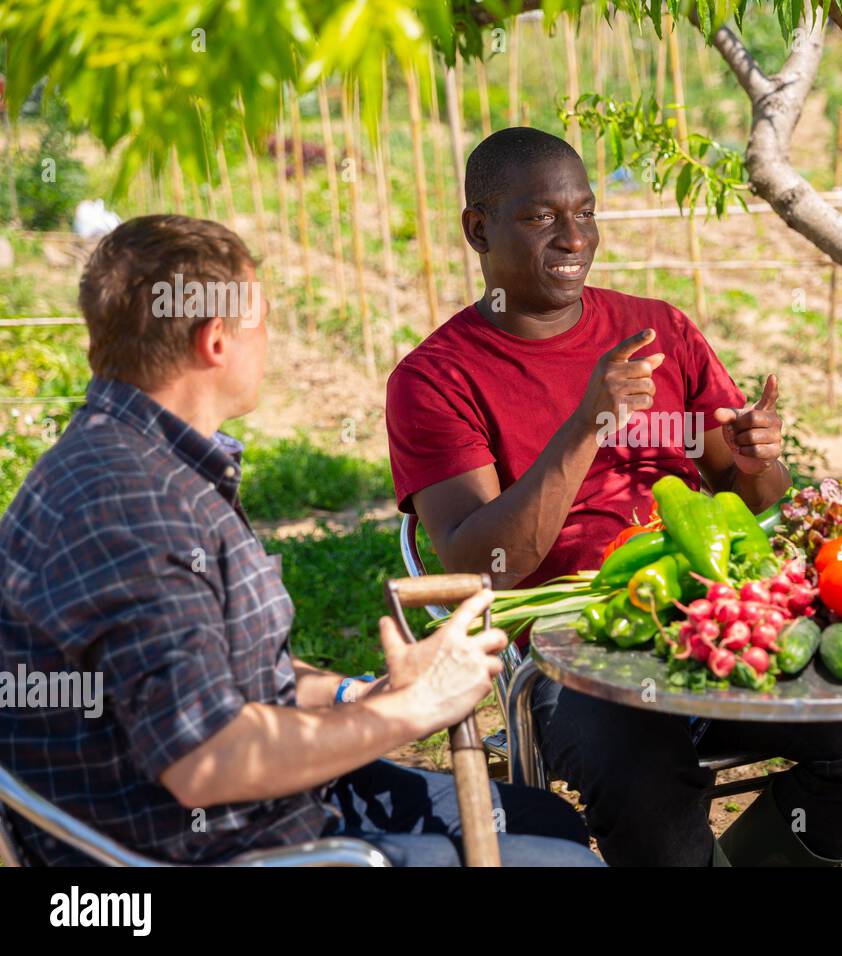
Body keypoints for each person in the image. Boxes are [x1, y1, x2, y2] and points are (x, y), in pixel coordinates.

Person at [386, 126, 842, 866]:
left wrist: (757, 458)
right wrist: (583, 428)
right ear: (479, 229)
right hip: (574, 654)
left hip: (713, 616)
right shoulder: (435, 378)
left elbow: (757, 495)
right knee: (651, 792)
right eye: (542, 217)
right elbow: (486, 565)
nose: (575, 237)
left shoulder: (656, 329)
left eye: (587, 212)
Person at [0, 215, 599, 867]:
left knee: (549, 821)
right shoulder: (137, 505)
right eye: (260, 319)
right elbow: (209, 761)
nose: (270, 339)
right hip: (223, 843)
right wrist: (415, 710)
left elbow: (213, 672)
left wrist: (360, 697)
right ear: (216, 340)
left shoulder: (137, 459)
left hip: (268, 803)